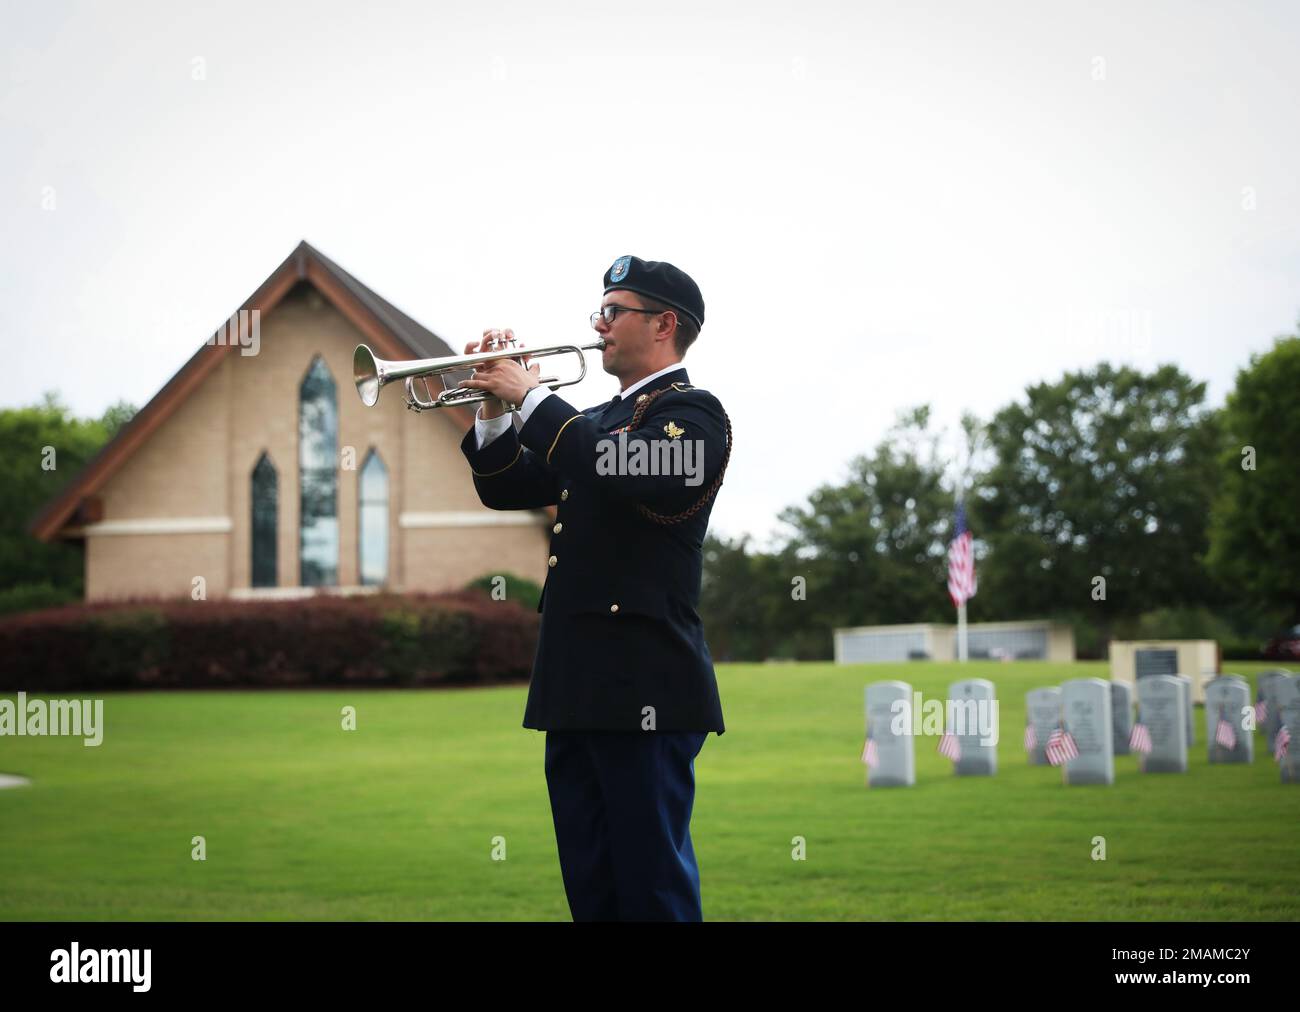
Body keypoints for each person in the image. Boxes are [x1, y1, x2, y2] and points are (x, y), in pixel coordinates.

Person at [456, 254, 730, 921]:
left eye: (613, 312)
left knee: (651, 885)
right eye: (598, 312)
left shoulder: (693, 416)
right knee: (592, 884)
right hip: (575, 683)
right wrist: (494, 409)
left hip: (645, 685)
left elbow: (620, 468)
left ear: (664, 324)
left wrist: (531, 397)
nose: (598, 325)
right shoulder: (599, 420)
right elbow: (507, 488)